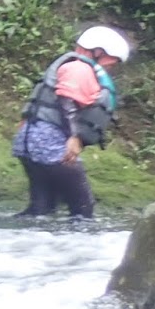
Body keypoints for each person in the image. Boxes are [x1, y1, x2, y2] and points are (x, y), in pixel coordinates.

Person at [11, 25, 130, 219]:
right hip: (50, 142)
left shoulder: (73, 65)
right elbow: (67, 99)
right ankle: (81, 244)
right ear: (98, 51)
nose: (112, 66)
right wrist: (75, 136)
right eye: (112, 61)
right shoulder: (79, 68)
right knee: (83, 208)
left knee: (42, 208)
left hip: (31, 142)